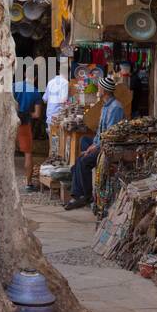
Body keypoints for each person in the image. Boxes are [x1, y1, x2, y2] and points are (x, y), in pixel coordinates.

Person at [64, 75, 123, 211]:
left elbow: (110, 134)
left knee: (83, 162)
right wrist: (93, 145)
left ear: (105, 91)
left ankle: (83, 195)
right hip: (101, 142)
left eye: (100, 88)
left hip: (109, 146)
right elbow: (99, 132)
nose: (98, 90)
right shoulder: (105, 106)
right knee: (83, 145)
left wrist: (95, 146)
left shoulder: (115, 108)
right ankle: (78, 194)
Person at [13, 74, 42, 191]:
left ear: (25, 75)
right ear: (35, 78)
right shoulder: (36, 93)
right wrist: (27, 114)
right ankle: (28, 184)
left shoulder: (14, 86)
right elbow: (37, 114)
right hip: (24, 124)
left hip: (10, 122)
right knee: (28, 154)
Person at [42, 68, 70, 155]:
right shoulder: (65, 82)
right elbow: (63, 100)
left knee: (52, 144)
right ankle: (54, 164)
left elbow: (44, 99)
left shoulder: (50, 82)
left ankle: (50, 164)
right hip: (58, 117)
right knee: (58, 145)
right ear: (68, 73)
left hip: (50, 116)